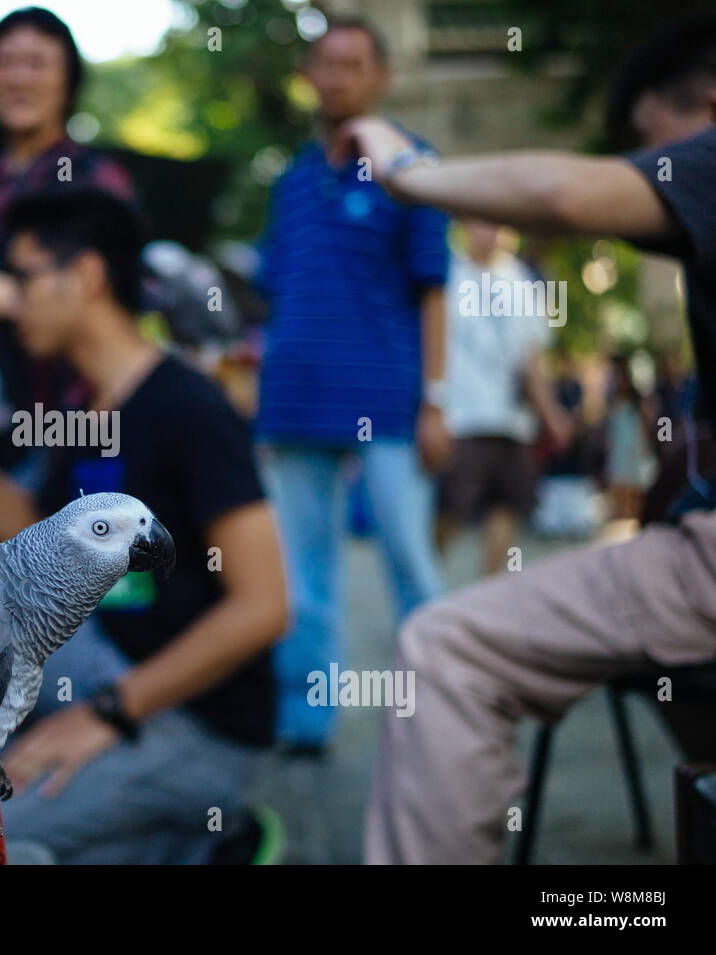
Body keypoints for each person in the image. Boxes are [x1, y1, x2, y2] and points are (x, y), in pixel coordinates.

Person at [335, 12, 716, 863]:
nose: (658, 174)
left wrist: (405, 168)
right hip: (468, 419)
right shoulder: (467, 275)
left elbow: (565, 195)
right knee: (459, 536)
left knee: (445, 645)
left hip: (565, 468)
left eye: (657, 147)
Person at [0, 187, 288, 864]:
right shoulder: (84, 406)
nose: (9, 297)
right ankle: (151, 828)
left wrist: (107, 711)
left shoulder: (191, 407)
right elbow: (30, 533)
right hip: (109, 656)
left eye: (21, 277)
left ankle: (203, 833)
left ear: (85, 277)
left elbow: (265, 606)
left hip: (199, 717)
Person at [253, 17, 451, 751]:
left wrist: (437, 400)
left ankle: (442, 714)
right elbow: (276, 290)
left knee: (411, 563)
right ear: (310, 73)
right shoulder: (294, 179)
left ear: (380, 77)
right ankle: (307, 721)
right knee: (303, 575)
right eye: (326, 64)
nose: (337, 77)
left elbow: (435, 289)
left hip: (389, 403)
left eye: (353, 64)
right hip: (295, 402)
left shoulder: (412, 164)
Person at [0, 6, 134, 570]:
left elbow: (128, 296)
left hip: (62, 424)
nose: (19, 77)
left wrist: (13, 296)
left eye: (37, 63)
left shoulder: (95, 175)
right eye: (7, 62)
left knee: (51, 589)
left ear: (67, 80)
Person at [436, 219, 572, 575]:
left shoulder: (522, 280)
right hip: (461, 418)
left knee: (504, 506)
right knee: (450, 508)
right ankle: (424, 589)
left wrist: (551, 414)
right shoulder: (446, 275)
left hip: (511, 421)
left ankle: (488, 592)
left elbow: (532, 358)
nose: (490, 231)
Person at [604, 354, 658, 522]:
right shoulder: (612, 397)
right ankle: (621, 517)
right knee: (619, 481)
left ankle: (633, 517)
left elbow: (646, 421)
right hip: (619, 445)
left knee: (635, 484)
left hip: (634, 445)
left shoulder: (637, 398)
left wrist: (643, 445)